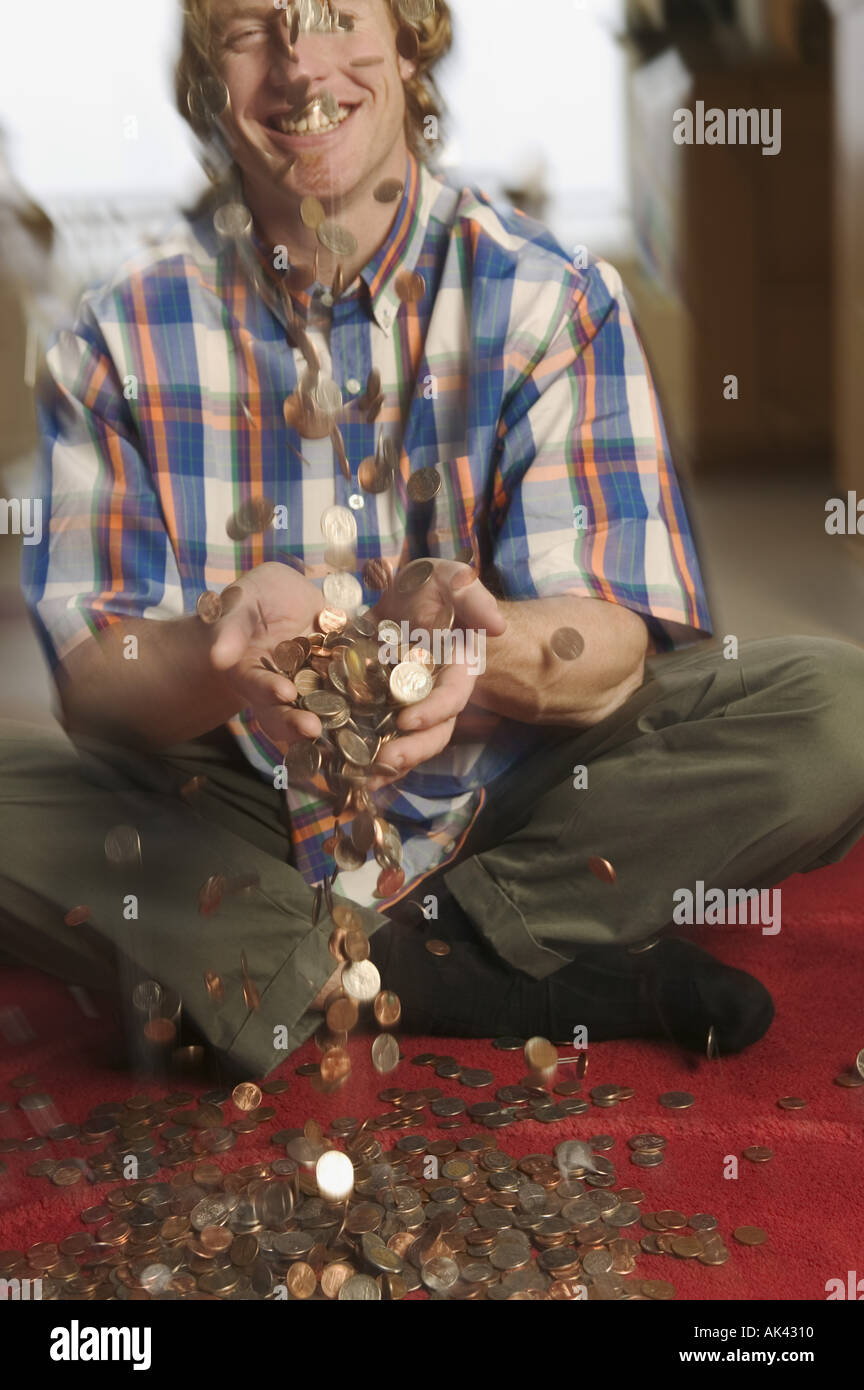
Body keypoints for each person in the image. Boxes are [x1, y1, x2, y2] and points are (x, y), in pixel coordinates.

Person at [6, 0, 864, 1080]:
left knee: (841, 710)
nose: (301, 63)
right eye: (249, 31)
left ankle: (329, 961)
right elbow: (96, 676)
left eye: (335, 16)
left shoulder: (558, 298)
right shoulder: (111, 336)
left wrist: (470, 650)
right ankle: (479, 972)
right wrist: (217, 647)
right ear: (207, 73)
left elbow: (609, 642)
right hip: (238, 810)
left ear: (410, 36)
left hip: (516, 797)